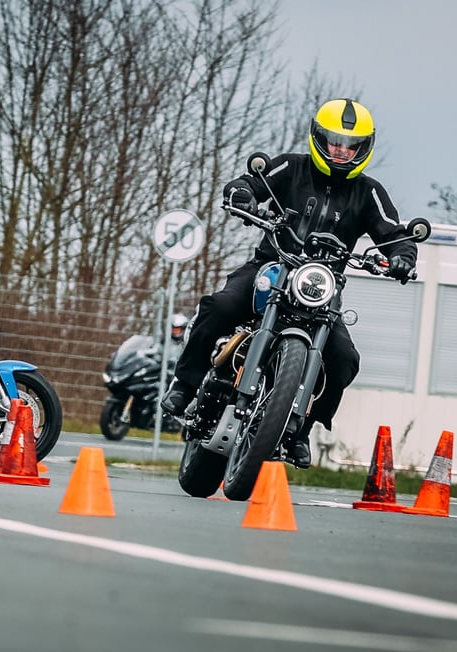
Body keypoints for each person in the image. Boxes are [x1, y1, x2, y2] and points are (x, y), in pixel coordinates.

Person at [161, 98, 417, 469]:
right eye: (334, 142)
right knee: (220, 305)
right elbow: (251, 183)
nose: (341, 151)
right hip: (271, 268)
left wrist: (402, 256)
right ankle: (185, 385)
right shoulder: (291, 167)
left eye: (350, 146)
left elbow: (394, 233)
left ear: (364, 148)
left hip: (322, 287)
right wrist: (242, 194)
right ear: (319, 138)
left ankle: (301, 430)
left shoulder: (369, 192)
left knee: (344, 359)